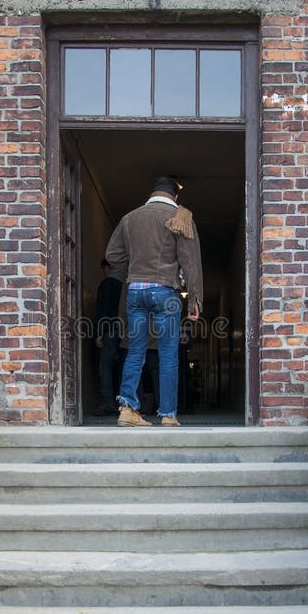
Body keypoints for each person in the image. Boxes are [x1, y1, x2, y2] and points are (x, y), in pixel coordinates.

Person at [105, 176, 203, 427]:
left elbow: (112, 254)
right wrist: (195, 299)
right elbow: (190, 262)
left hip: (135, 291)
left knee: (135, 351)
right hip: (165, 292)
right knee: (168, 355)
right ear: (175, 196)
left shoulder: (130, 218)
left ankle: (127, 409)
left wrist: (135, 269)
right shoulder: (181, 217)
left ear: (152, 193)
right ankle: (168, 415)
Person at [93, 258, 125, 415]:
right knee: (126, 366)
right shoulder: (127, 283)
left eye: (103, 269)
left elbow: (102, 309)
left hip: (109, 330)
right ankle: (125, 403)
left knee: (105, 366)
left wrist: (99, 334)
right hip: (127, 330)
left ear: (108, 267)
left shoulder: (107, 284)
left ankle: (107, 402)